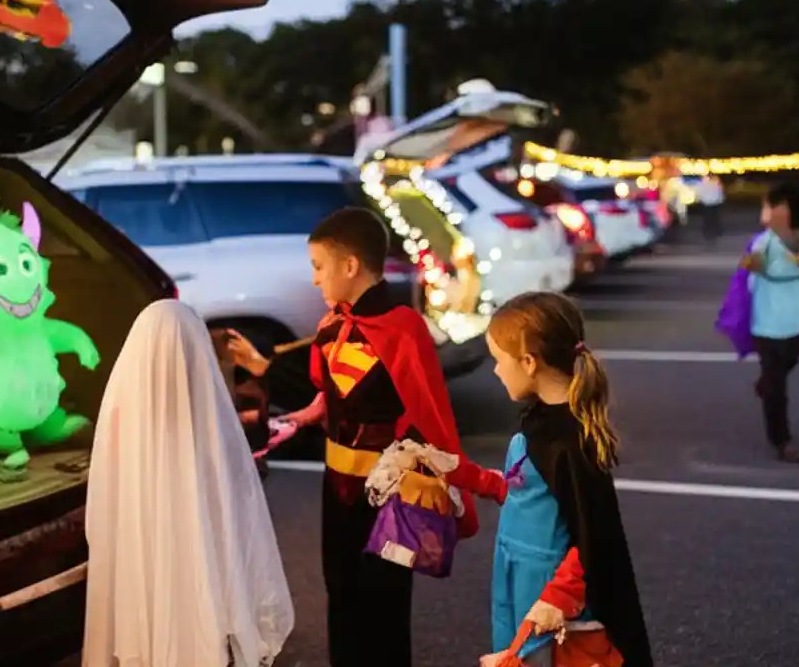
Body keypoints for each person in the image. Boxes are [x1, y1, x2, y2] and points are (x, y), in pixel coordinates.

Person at [276, 206, 507, 667]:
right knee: (340, 594)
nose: (316, 280)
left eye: (319, 268)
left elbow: (428, 412)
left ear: (350, 266)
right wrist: (308, 410)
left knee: (383, 605)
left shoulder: (403, 327)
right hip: (336, 490)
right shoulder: (331, 330)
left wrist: (465, 478)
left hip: (388, 498)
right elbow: (332, 394)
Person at [83, 300, 294, 667]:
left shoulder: (121, 413)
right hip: (203, 559)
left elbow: (108, 492)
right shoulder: (210, 418)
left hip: (143, 549)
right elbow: (236, 501)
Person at [482, 292, 652, 667]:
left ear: (528, 363)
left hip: (546, 588)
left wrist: (558, 595)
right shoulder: (541, 423)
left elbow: (594, 536)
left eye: (499, 361)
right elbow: (523, 488)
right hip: (521, 573)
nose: (495, 371)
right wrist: (456, 473)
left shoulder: (568, 442)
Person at [715, 181, 799, 464]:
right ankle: (782, 440)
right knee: (777, 384)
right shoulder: (762, 242)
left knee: (789, 362)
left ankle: (766, 384)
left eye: (772, 206)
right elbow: (745, 275)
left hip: (796, 321)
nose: (768, 211)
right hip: (765, 321)